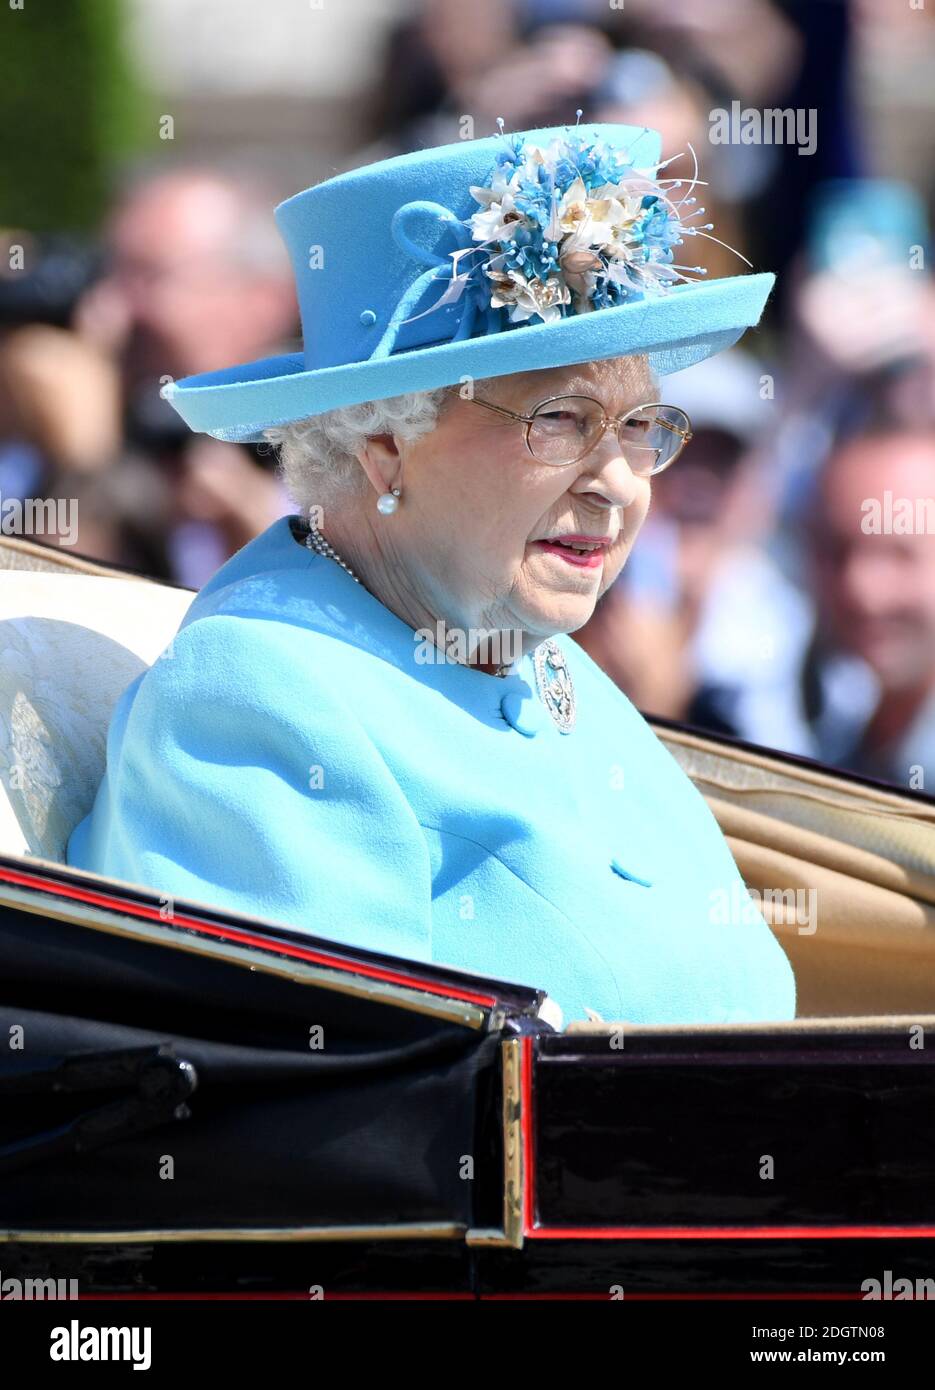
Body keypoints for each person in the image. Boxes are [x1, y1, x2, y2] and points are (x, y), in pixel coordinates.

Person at [66, 122, 796, 1027]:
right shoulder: (258, 703)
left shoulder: (533, 653)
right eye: (561, 421)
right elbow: (334, 1126)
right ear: (384, 448)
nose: (617, 483)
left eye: (642, 426)